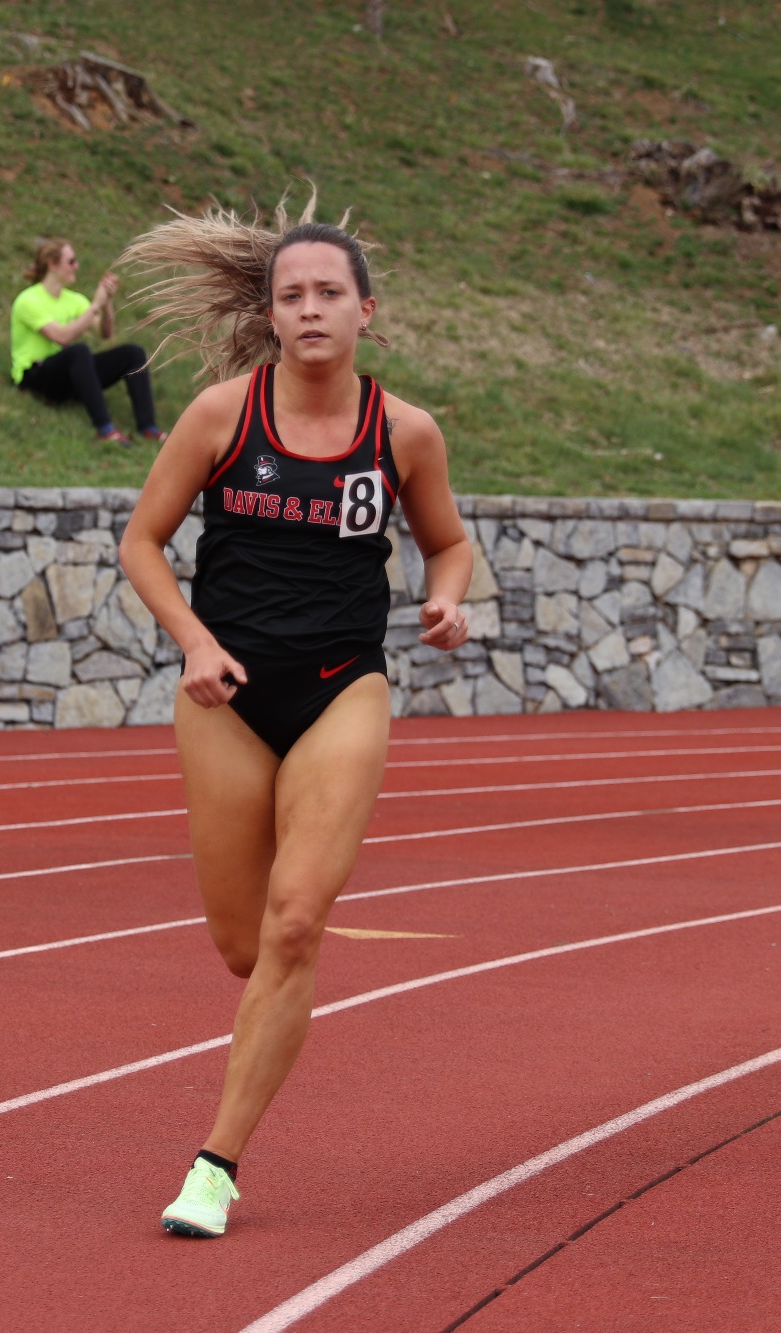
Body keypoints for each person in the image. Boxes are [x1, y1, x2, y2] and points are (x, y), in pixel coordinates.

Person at [117, 197, 473, 1238]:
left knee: (294, 922)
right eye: (291, 296)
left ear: (367, 311)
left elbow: (446, 541)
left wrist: (446, 593)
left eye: (328, 293)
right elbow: (141, 541)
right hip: (224, 696)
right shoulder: (221, 417)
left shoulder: (402, 432)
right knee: (241, 948)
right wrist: (192, 639)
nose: (310, 310)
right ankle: (264, 1018)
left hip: (339, 687)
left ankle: (213, 1167)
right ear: (269, 315)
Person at [10, 238, 164, 446]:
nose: (77, 266)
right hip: (35, 376)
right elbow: (61, 336)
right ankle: (105, 429)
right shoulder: (28, 300)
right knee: (79, 351)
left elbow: (106, 333)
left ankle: (148, 428)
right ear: (53, 265)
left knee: (132, 353)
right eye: (71, 261)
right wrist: (95, 306)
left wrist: (107, 302)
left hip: (64, 378)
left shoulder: (73, 299)